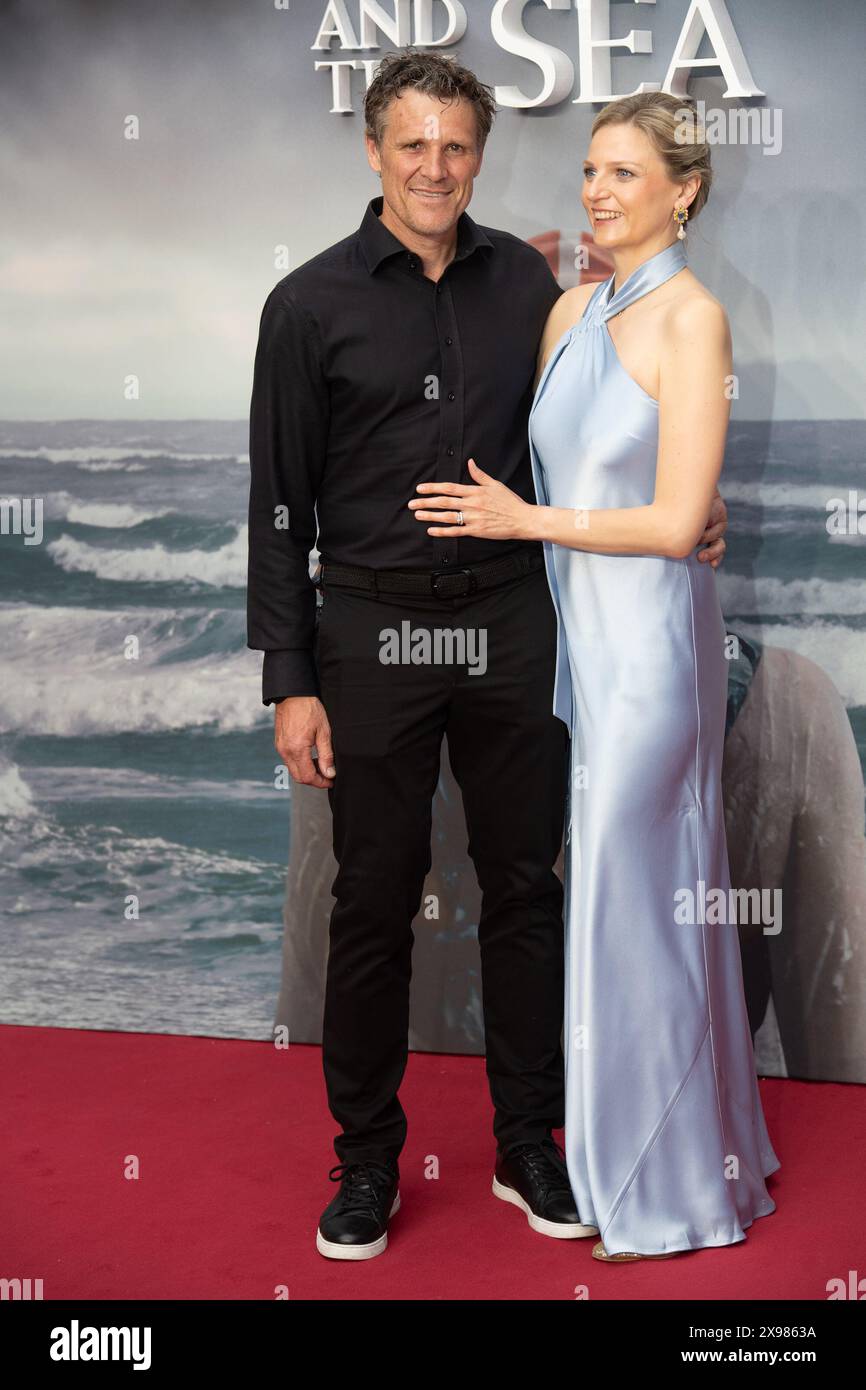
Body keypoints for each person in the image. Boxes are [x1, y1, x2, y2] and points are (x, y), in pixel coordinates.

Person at [247, 54, 727, 1262]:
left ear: (478, 153)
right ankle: (363, 1164)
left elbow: (593, 429)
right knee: (372, 900)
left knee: (526, 886)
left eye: (456, 146)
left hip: (515, 622)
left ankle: (528, 1142)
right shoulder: (306, 306)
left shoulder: (533, 282)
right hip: (370, 630)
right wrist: (289, 677)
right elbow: (277, 510)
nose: (434, 167)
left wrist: (691, 510)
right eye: (411, 145)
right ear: (372, 151)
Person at [412, 91, 780, 1260]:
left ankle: (667, 1188)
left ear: (682, 188)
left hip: (652, 667)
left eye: (624, 172)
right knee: (619, 902)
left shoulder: (694, 318)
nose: (596, 190)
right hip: (576, 657)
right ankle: (653, 1148)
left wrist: (529, 523)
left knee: (637, 901)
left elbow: (671, 524)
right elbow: (623, 476)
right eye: (587, 169)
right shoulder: (569, 308)